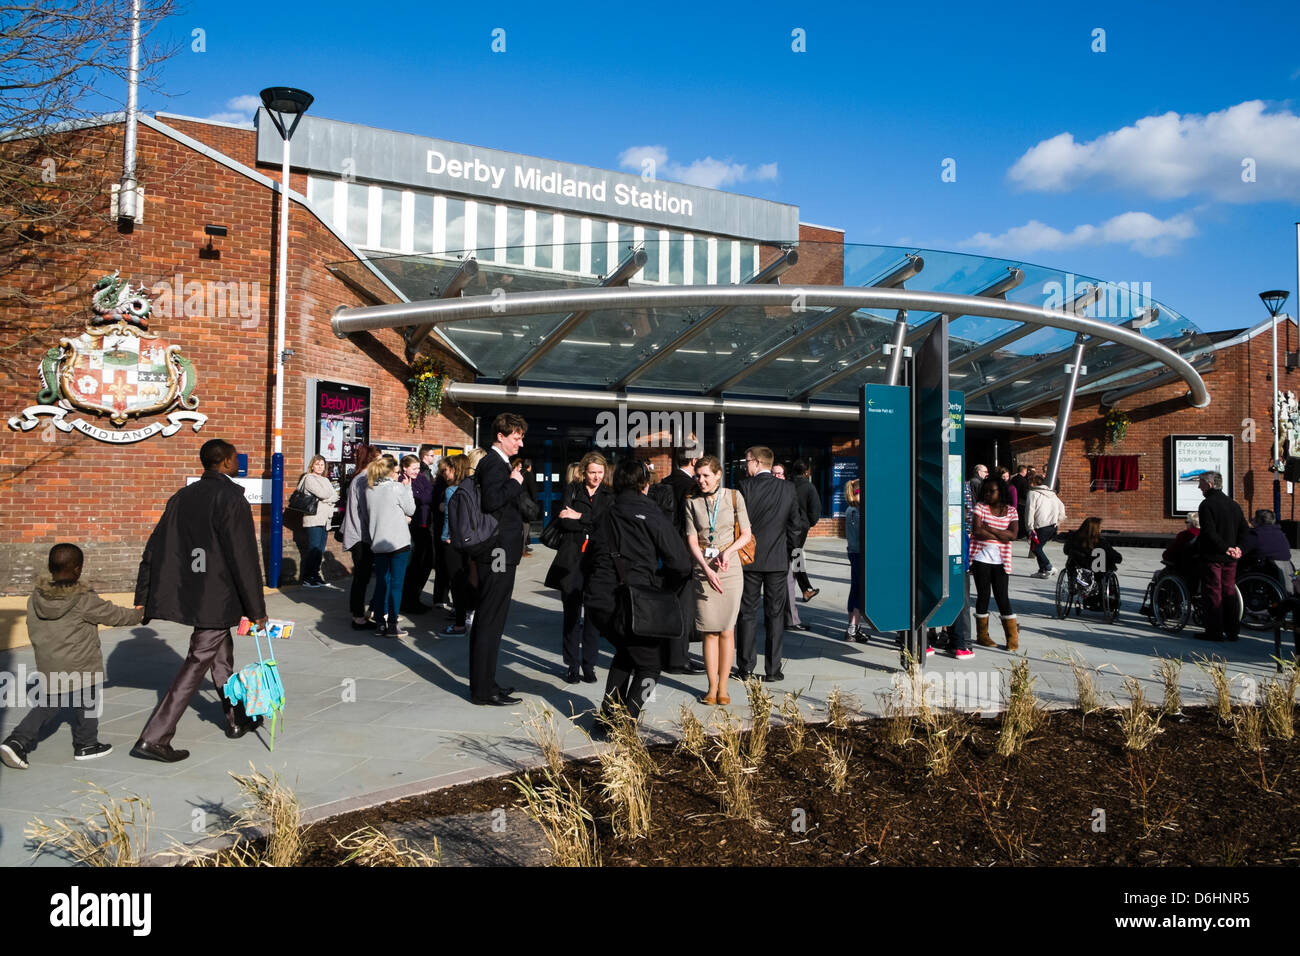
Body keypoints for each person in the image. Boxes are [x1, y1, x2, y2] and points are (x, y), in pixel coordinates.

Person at [131, 439, 268, 762]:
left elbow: (155, 546)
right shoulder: (231, 497)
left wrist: (144, 593)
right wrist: (257, 609)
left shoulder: (182, 496)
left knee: (221, 660)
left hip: (194, 592)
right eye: (235, 457)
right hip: (217, 597)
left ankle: (238, 719)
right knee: (197, 662)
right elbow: (243, 557)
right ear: (224, 463)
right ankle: (154, 738)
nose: (237, 461)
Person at [1, 544, 143, 769]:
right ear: (77, 569)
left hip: (49, 659)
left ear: (50, 567)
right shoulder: (82, 598)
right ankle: (23, 740)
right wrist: (140, 614)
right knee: (83, 700)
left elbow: (32, 626)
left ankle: (82, 743)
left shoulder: (36, 596)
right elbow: (115, 615)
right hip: (80, 661)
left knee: (53, 701)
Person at [583, 458, 691, 723]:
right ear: (645, 484)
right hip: (634, 603)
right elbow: (680, 562)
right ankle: (626, 719)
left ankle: (609, 715)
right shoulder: (651, 512)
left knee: (626, 653)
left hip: (600, 599)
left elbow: (588, 559)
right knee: (651, 667)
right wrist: (664, 587)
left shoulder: (605, 511)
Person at [469, 413, 528, 706]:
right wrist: (515, 482)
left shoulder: (497, 463)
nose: (520, 443)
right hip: (497, 551)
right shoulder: (493, 464)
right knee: (490, 617)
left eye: (520, 437)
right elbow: (492, 502)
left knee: (495, 618)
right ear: (501, 437)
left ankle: (489, 682)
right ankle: (482, 690)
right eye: (516, 437)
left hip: (501, 551)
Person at [735, 445, 807, 682]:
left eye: (747, 461)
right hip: (777, 559)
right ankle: (773, 670)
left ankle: (745, 668)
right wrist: (790, 549)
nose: (745, 465)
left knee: (747, 613)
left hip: (749, 559)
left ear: (756, 462)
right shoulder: (788, 488)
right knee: (775, 615)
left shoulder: (744, 487)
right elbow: (796, 525)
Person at [685, 454, 752, 704]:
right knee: (708, 631)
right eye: (698, 476)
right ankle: (711, 687)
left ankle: (723, 687)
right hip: (704, 568)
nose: (701, 480)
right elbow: (692, 539)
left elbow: (746, 534)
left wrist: (728, 551)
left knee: (726, 629)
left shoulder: (734, 497)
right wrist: (705, 567)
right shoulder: (691, 502)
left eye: (705, 476)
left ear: (718, 475)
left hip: (730, 568)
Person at [545, 451, 613, 683]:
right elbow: (564, 520)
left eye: (600, 473)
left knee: (593, 616)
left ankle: (589, 665)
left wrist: (580, 516)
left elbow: (606, 525)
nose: (596, 477)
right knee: (571, 615)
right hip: (572, 558)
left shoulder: (609, 494)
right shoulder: (573, 490)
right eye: (592, 472)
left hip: (597, 561)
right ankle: (572, 664)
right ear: (584, 472)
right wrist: (587, 520)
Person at [661, 444, 705, 675]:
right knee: (683, 606)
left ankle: (667, 654)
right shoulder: (691, 486)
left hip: (665, 552)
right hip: (684, 553)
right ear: (695, 461)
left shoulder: (666, 481)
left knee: (670, 604)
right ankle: (679, 659)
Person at [368, 455, 416, 638]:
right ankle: (393, 624)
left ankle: (380, 623)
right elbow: (411, 509)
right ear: (389, 472)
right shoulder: (396, 488)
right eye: (396, 472)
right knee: (396, 585)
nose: (398, 475)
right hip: (398, 542)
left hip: (378, 542)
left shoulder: (369, 489)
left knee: (381, 583)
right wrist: (408, 487)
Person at [1196, 471, 1247, 642]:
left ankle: (1214, 631)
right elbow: (1244, 531)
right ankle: (1233, 630)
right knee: (1229, 591)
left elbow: (1209, 532)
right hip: (1231, 558)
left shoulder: (1206, 505)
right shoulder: (1234, 505)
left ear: (1209, 485)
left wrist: (1225, 548)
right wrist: (1238, 548)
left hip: (1213, 556)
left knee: (1213, 592)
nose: (1199, 486)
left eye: (1201, 483)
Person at [970, 475, 1019, 652]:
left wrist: (989, 529)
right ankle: (983, 635)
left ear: (1001, 492)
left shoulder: (1012, 511)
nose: (988, 494)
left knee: (1002, 597)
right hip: (981, 557)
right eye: (986, 491)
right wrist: (1001, 534)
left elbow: (1013, 535)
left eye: (992, 491)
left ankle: (1012, 639)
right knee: (983, 595)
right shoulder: (981, 507)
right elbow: (977, 531)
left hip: (1001, 560)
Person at [342, 444, 382, 629]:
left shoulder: (358, 478)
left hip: (357, 534)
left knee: (361, 576)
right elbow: (367, 511)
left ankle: (357, 613)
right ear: (371, 460)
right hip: (361, 535)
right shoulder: (364, 479)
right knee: (362, 577)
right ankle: (357, 616)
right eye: (377, 458)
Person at [439, 454, 475, 636]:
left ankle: (459, 625)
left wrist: (446, 536)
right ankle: (469, 614)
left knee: (457, 583)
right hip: (470, 541)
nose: (443, 474)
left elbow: (449, 519)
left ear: (454, 469)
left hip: (452, 541)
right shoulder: (472, 487)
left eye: (445, 470)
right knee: (469, 579)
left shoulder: (451, 491)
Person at [401, 444, 438, 614]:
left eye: (417, 468)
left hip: (425, 525)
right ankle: (408, 600)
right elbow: (422, 498)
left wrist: (426, 496)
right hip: (413, 527)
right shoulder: (403, 481)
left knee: (426, 563)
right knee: (415, 565)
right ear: (405, 468)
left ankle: (414, 597)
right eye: (413, 468)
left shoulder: (422, 478)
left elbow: (431, 494)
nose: (417, 471)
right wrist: (426, 496)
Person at [297, 454, 339, 588]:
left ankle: (315, 575)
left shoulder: (325, 480)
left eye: (322, 464)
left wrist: (328, 497)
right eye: (317, 464)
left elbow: (336, 495)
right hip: (314, 519)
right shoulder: (309, 478)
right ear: (312, 465)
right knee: (313, 549)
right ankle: (307, 578)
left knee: (320, 550)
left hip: (325, 519)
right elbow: (324, 494)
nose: (320, 467)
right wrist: (328, 497)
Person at [789, 460, 822, 604]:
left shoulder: (787, 485)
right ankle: (806, 589)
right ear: (806, 472)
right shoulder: (809, 487)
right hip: (801, 526)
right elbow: (815, 511)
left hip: (787, 524)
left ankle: (806, 589)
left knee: (795, 555)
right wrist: (808, 523)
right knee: (795, 555)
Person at [1025, 473, 1067, 578]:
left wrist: (1029, 527)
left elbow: (1030, 511)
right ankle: (1042, 570)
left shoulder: (1032, 493)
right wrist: (1058, 521)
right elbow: (1062, 509)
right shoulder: (1052, 494)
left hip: (1040, 525)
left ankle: (1048, 567)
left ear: (1033, 483)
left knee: (1036, 548)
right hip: (1052, 526)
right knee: (1037, 547)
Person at [1244, 508, 1294, 587]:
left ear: (1259, 521)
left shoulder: (1256, 534)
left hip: (1267, 568)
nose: (1252, 520)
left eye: (1254, 518)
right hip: (1286, 567)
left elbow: (1244, 549)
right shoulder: (1280, 533)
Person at [842, 479, 864, 643]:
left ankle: (852, 625)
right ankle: (853, 628)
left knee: (855, 588)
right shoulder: (858, 512)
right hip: (860, 553)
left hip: (852, 552)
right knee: (861, 591)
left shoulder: (850, 510)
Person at [1009, 465, 1031, 540]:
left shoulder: (1013, 479)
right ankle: (1021, 534)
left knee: (1015, 519)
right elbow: (1024, 493)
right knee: (1021, 519)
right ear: (1024, 471)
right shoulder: (1024, 481)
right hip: (1021, 502)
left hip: (1013, 501)